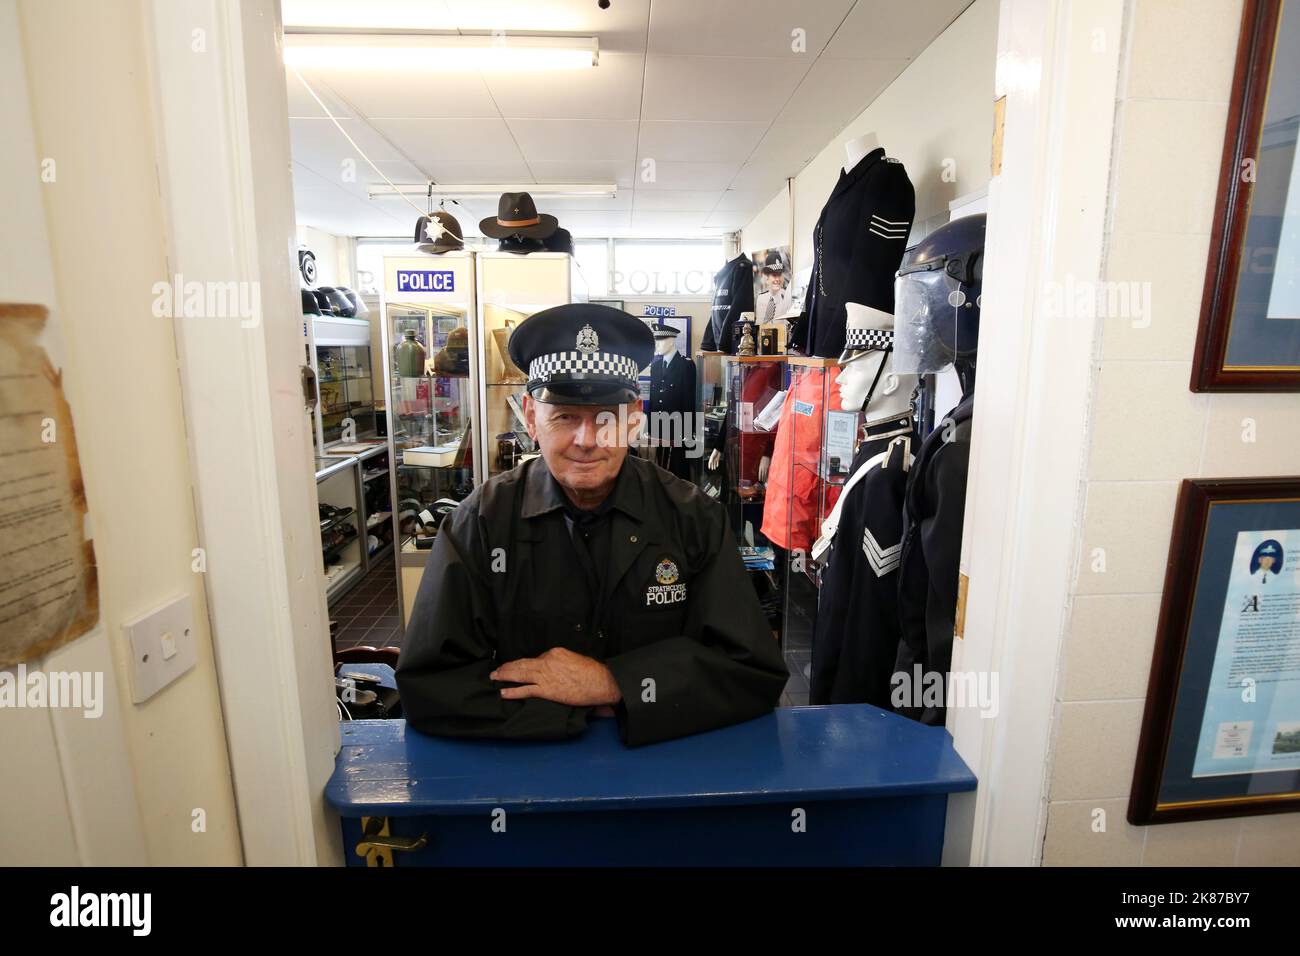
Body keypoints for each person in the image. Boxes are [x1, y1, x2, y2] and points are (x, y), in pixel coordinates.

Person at [396, 303, 787, 746]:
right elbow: (429, 685)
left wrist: (613, 683)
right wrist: (572, 711)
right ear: (531, 417)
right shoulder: (480, 524)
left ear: (634, 417)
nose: (587, 440)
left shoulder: (692, 518)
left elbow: (751, 670)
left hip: (663, 778)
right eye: (564, 416)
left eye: (607, 417)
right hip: (530, 775)